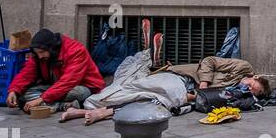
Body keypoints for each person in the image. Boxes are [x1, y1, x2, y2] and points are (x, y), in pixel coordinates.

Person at [60, 46, 192, 126]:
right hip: (173, 80)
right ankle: (102, 112)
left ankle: (85, 112)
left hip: (176, 82)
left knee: (146, 102)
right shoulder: (200, 69)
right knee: (151, 100)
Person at [5, 29, 104, 115]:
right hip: (55, 87)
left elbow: (68, 82)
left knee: (77, 92)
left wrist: (40, 100)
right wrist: (13, 90)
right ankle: (63, 105)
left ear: (51, 48)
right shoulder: (39, 56)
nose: (39, 56)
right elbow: (26, 73)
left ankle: (48, 104)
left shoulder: (76, 50)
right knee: (23, 95)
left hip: (83, 87)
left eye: (42, 52)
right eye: (37, 53)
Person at [166, 56, 271, 98]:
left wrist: (196, 97)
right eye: (250, 85)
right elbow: (209, 61)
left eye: (250, 90)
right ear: (255, 77)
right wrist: (204, 82)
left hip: (191, 90)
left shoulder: (236, 94)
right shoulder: (243, 67)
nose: (247, 88)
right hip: (189, 77)